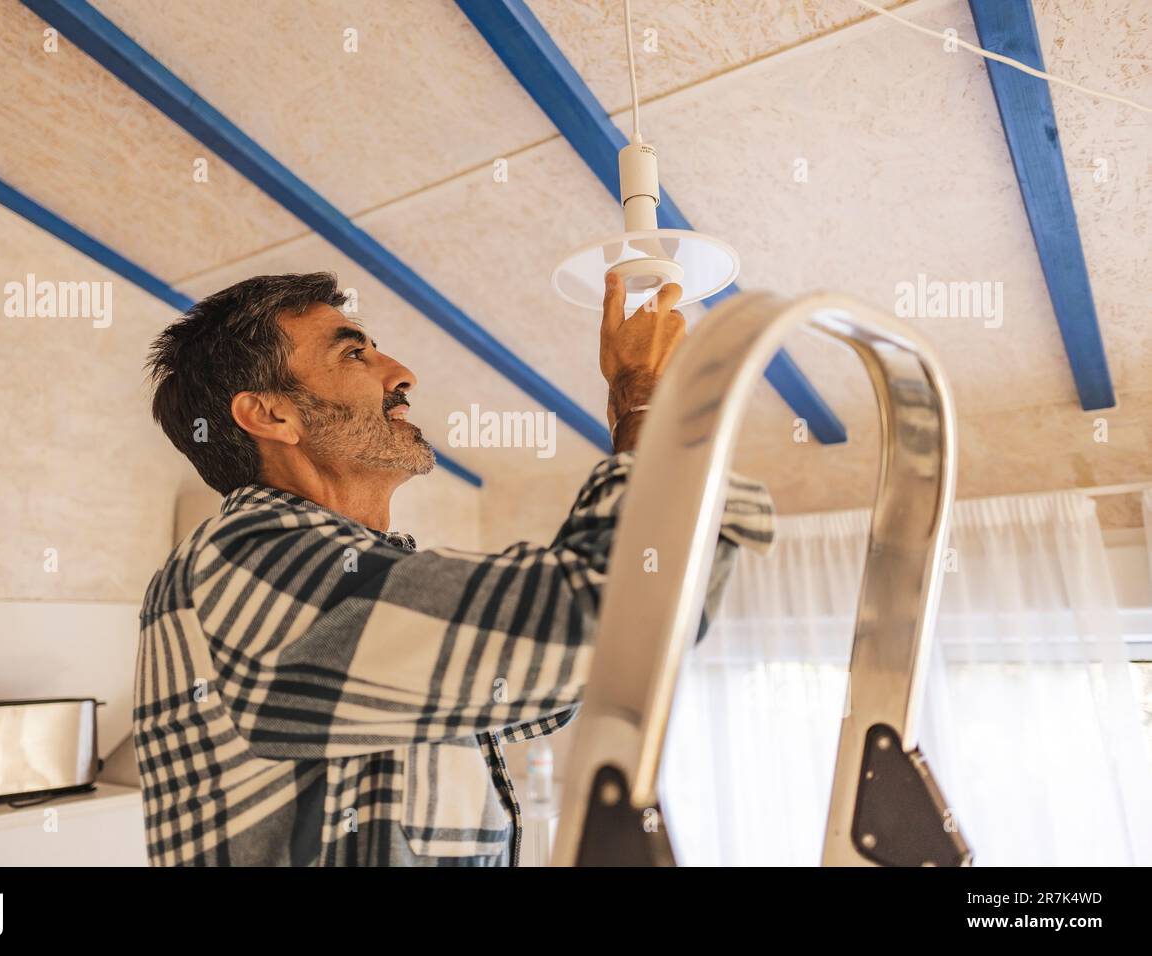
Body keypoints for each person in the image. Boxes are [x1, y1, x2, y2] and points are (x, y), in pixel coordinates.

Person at [135, 270, 773, 865]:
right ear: (270, 414)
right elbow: (603, 624)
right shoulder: (247, 553)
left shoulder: (343, 571)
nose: (403, 373)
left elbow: (552, 687)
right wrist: (644, 400)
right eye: (354, 353)